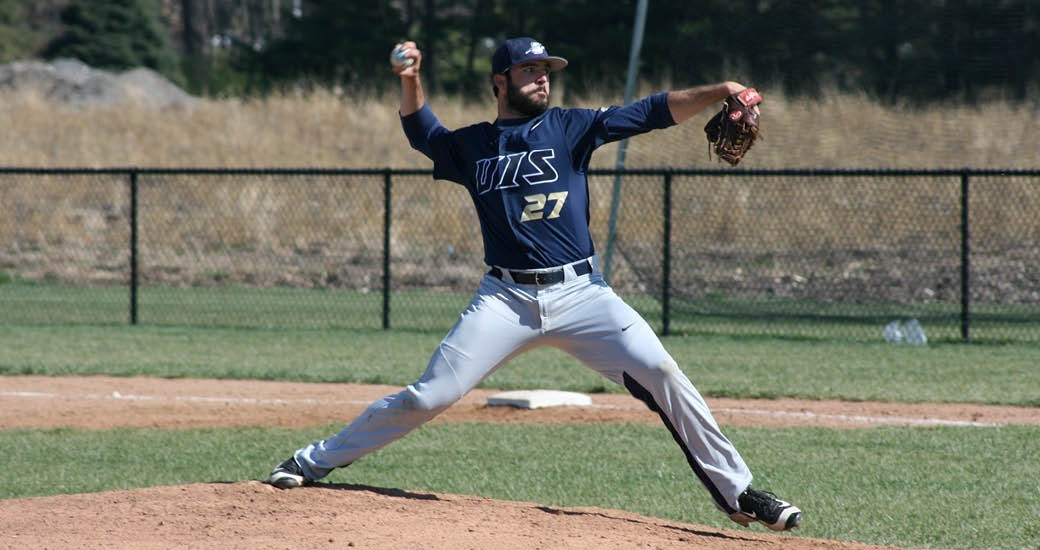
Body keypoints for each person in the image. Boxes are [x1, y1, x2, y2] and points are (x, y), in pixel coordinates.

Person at [268, 37, 802, 532]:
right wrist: (410, 79)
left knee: (663, 371)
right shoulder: (474, 145)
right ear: (500, 81)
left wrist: (722, 90)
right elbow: (421, 132)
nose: (542, 78)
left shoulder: (570, 127)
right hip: (504, 300)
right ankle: (312, 461)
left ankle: (740, 493)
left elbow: (652, 112)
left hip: (583, 295)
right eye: (529, 69)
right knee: (428, 397)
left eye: (546, 70)